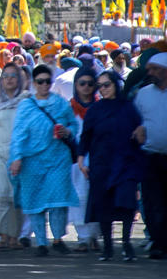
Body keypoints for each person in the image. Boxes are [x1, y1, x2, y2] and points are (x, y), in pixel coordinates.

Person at [9, 64, 79, 257]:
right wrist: (16, 158)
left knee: (58, 201)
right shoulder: (26, 106)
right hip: (32, 161)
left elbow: (73, 124)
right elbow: (18, 134)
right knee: (35, 202)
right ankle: (41, 242)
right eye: (40, 81)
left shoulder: (61, 103)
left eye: (48, 81)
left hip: (58, 158)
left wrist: (69, 131)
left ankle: (58, 239)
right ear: (33, 83)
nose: (44, 85)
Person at [79, 70, 145, 261]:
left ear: (116, 84)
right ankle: (107, 246)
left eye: (107, 85)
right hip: (101, 163)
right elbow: (86, 136)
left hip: (126, 162)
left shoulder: (128, 108)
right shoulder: (95, 110)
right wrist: (82, 157)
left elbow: (139, 132)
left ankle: (126, 243)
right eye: (99, 86)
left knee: (126, 204)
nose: (103, 89)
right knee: (103, 206)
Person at [0, 63, 30, 250]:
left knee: (16, 196)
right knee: (1, 195)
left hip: (21, 156)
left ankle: (14, 237)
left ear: (20, 79)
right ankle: (3, 235)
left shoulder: (27, 101)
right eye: (5, 76)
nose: (9, 79)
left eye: (13, 75)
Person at [133, 52, 167, 259]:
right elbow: (134, 119)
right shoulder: (143, 94)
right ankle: (158, 242)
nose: (150, 73)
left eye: (155, 69)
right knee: (152, 201)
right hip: (150, 156)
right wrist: (138, 129)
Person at [68, 67, 101, 252]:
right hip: (75, 159)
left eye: (90, 83)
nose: (86, 87)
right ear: (76, 85)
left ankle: (94, 236)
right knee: (79, 197)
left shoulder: (100, 106)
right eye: (82, 83)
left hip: (96, 157)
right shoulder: (68, 108)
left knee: (95, 196)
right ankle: (82, 237)